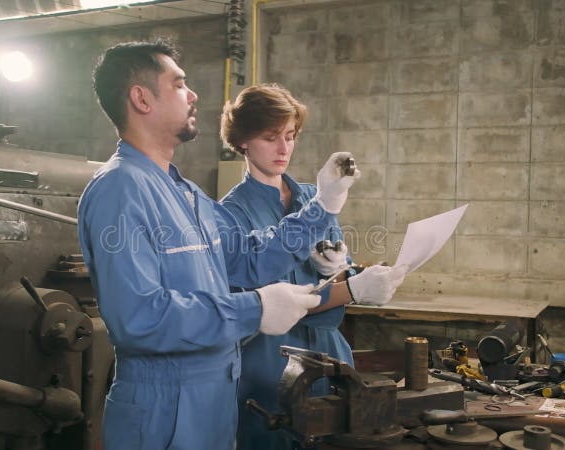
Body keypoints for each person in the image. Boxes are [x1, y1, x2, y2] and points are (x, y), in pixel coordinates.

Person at [77, 40, 360, 450]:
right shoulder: (121, 189)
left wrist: (323, 206)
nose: (193, 95)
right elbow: (138, 317)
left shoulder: (185, 193)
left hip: (211, 400)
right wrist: (256, 308)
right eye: (178, 85)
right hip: (165, 407)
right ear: (141, 98)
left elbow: (249, 259)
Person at [219, 84, 408, 450]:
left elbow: (340, 269)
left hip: (330, 355)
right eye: (270, 137)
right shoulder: (230, 215)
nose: (283, 148)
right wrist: (353, 288)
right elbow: (273, 305)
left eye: (290, 136)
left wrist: (342, 270)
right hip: (272, 365)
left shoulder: (313, 195)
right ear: (242, 141)